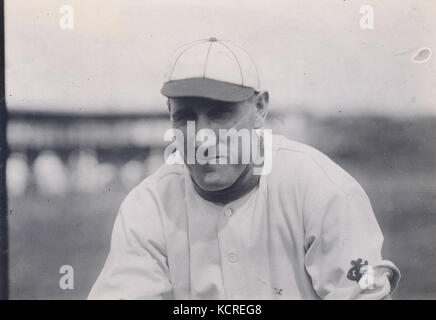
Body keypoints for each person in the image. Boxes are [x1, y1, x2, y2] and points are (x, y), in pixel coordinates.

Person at [88, 37, 400, 299]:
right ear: (169, 114)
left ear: (260, 108)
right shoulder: (150, 205)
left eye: (220, 113)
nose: (202, 137)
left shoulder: (320, 189)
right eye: (185, 116)